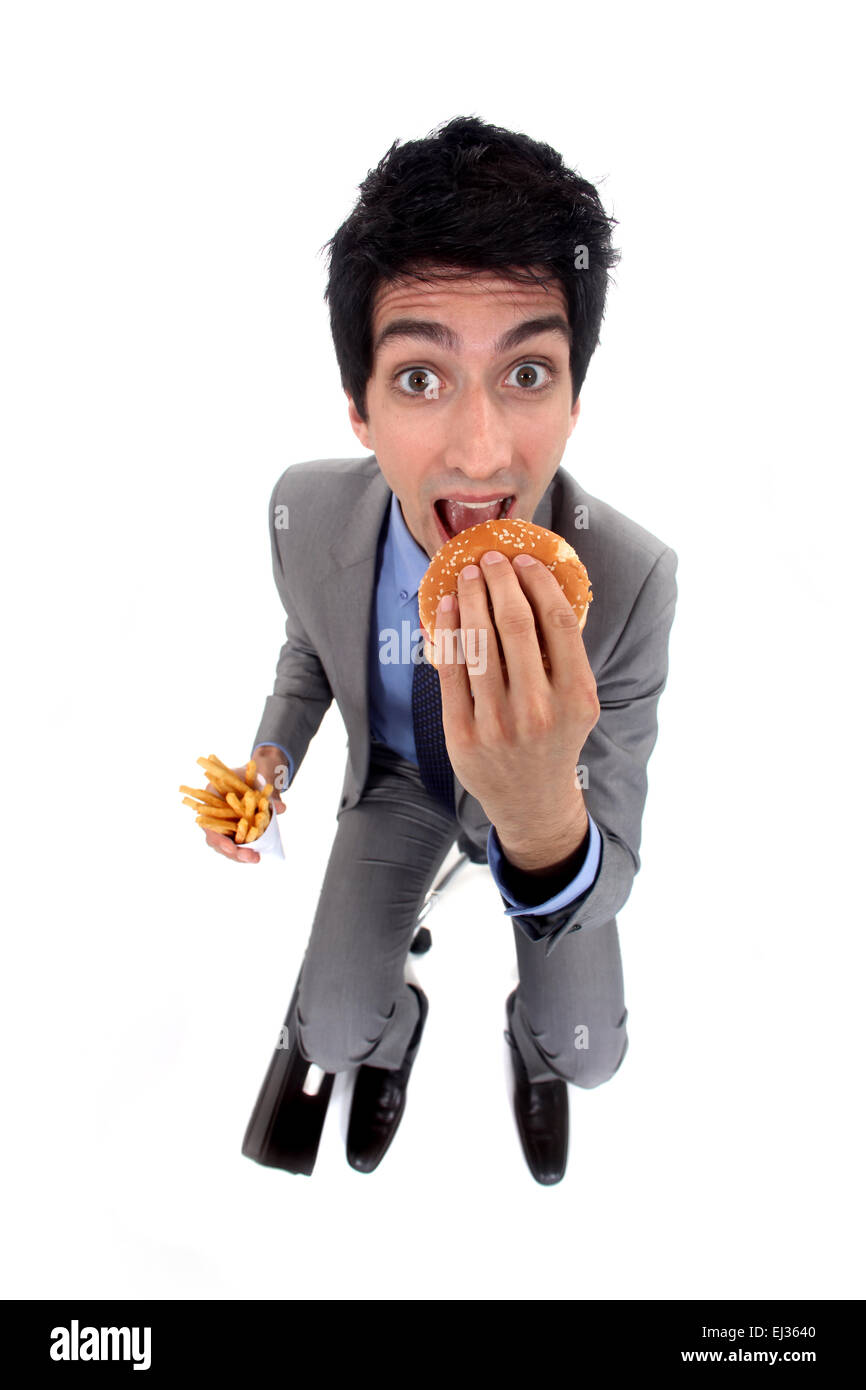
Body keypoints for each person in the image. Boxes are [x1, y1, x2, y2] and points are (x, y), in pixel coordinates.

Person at [205, 116, 678, 1185]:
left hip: (544, 814)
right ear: (359, 406)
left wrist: (539, 806)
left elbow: (616, 854)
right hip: (401, 784)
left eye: (525, 374)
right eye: (420, 378)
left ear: (573, 394)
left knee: (589, 1055)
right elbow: (310, 655)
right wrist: (271, 764)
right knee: (327, 1032)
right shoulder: (304, 511)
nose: (477, 454)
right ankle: (393, 1027)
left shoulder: (632, 583)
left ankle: (530, 1039)